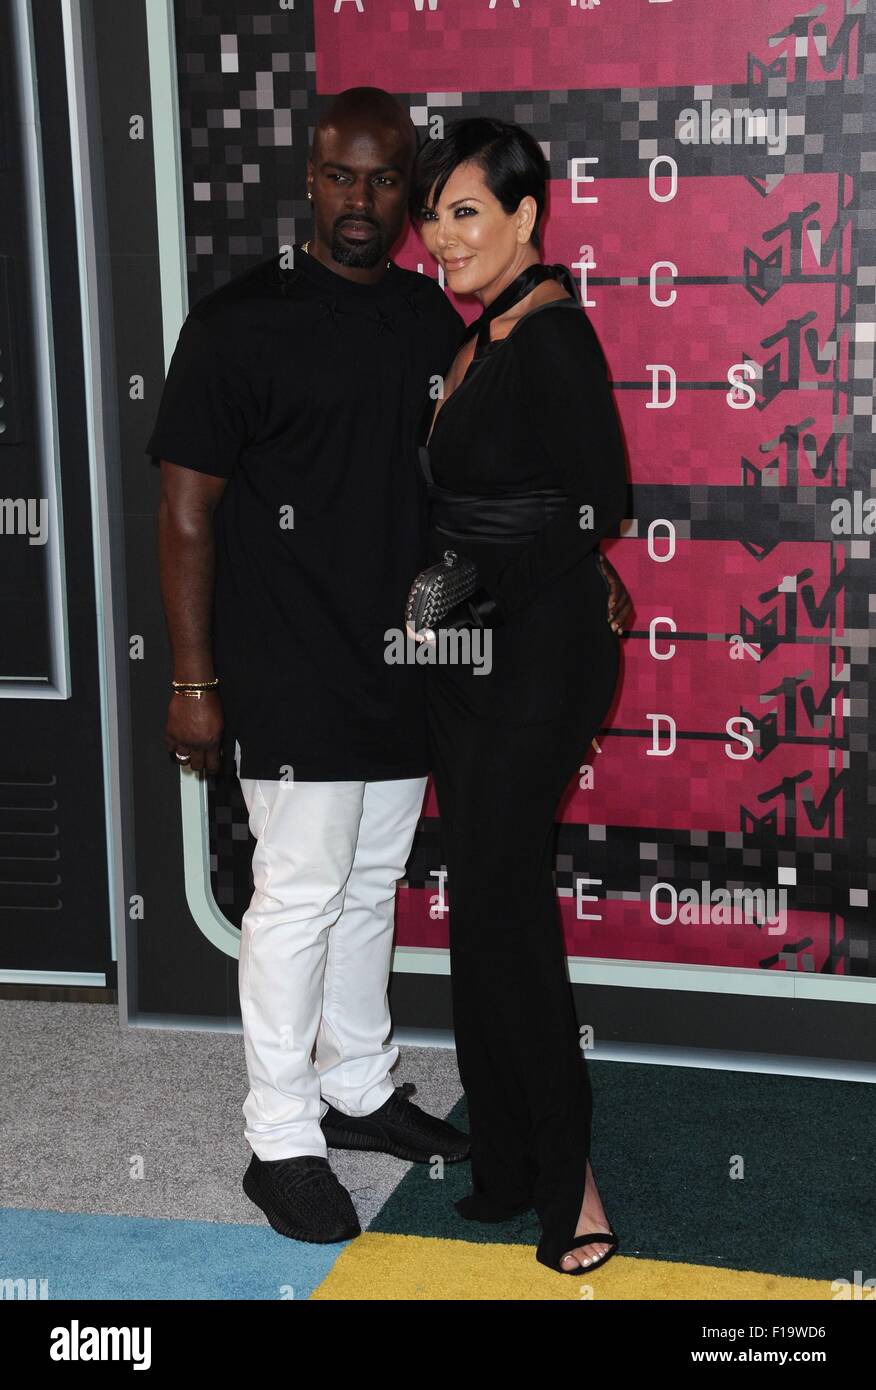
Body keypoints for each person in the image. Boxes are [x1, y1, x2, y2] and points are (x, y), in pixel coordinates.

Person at [147, 86, 631, 1248]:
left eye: (386, 183)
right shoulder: (236, 322)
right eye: (339, 177)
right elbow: (184, 515)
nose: (363, 202)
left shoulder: (437, 319)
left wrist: (576, 565)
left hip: (416, 663)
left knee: (372, 888)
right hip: (290, 667)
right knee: (300, 898)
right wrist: (196, 678)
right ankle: (281, 1133)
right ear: (307, 179)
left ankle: (359, 1086)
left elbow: (510, 483)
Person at [407, 116, 630, 1275]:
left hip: (537, 652)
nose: (443, 238)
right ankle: (501, 1161)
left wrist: (475, 598)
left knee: (507, 909)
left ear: (528, 218)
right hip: (469, 656)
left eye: (467, 213)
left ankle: (570, 1183)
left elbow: (603, 506)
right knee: (481, 908)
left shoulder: (550, 338)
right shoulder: (480, 334)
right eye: (432, 215)